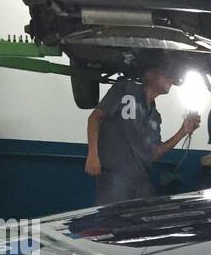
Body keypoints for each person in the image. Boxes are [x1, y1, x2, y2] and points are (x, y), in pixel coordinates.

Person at [85, 67, 200, 205]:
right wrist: (93, 154)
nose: (171, 79)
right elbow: (95, 117)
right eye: (167, 74)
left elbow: (153, 153)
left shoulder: (155, 116)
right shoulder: (125, 89)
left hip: (141, 180)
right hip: (115, 177)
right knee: (112, 220)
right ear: (150, 74)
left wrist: (182, 132)